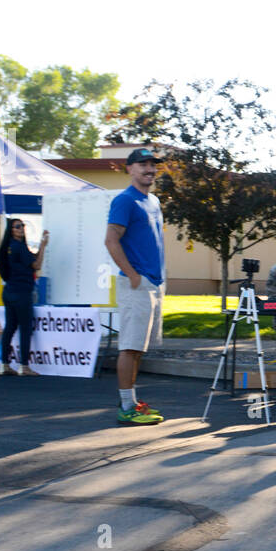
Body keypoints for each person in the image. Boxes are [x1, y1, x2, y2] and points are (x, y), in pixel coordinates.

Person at [104, 147, 166, 425]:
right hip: (136, 283)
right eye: (142, 164)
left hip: (153, 283)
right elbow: (111, 240)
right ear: (129, 168)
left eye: (152, 165)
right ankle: (126, 407)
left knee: (138, 347)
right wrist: (132, 275)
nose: (149, 169)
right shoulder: (125, 200)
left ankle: (131, 401)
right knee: (129, 346)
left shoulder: (153, 201)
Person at [0, 219, 49, 376]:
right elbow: (36, 265)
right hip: (21, 292)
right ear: (11, 230)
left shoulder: (9, 248)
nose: (21, 229)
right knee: (25, 329)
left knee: (10, 328)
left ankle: (4, 364)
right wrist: (43, 246)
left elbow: (31, 259)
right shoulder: (18, 247)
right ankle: (24, 365)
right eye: (17, 227)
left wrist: (40, 246)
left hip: (10, 291)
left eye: (22, 226)